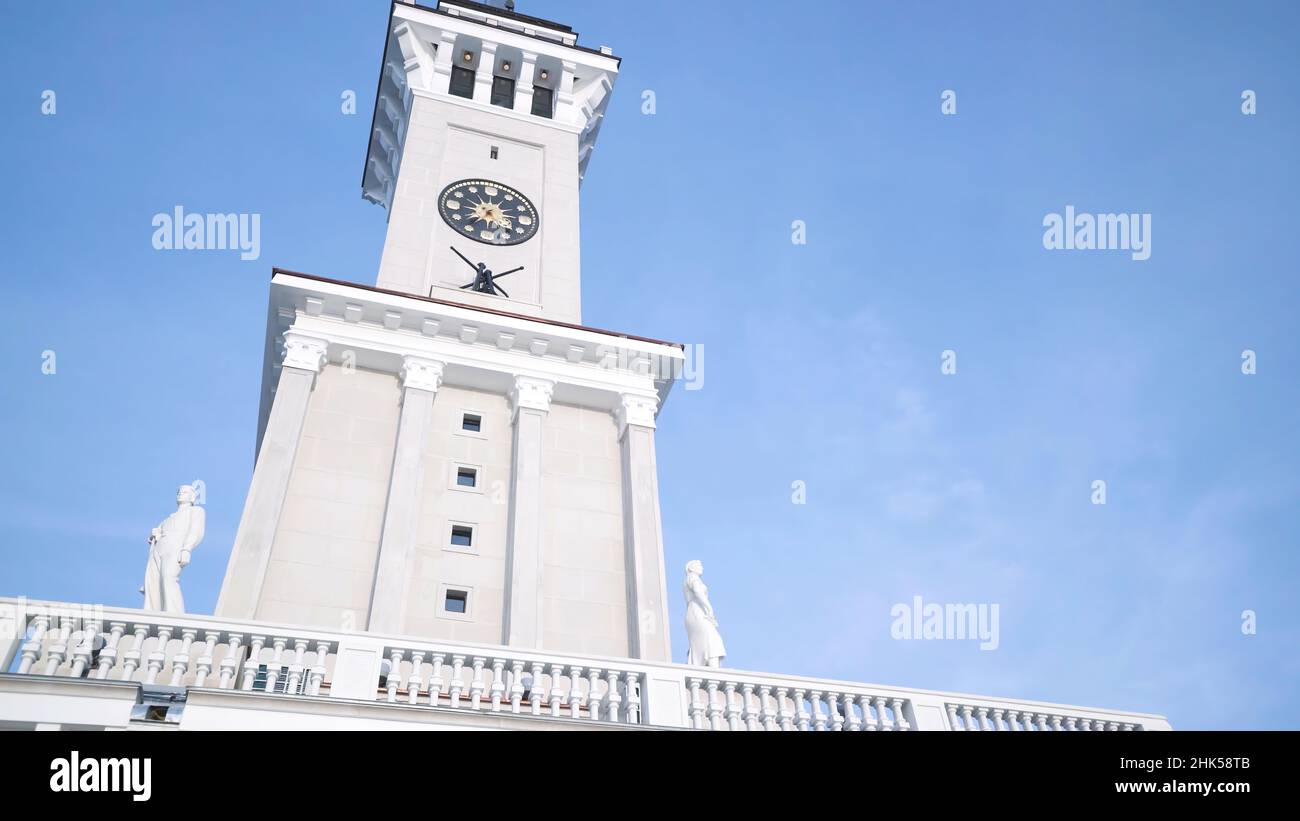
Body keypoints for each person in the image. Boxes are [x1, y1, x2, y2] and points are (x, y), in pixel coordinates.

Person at [142, 484, 205, 613]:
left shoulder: (196, 511)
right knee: (154, 583)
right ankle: (153, 611)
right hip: (159, 548)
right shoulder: (167, 519)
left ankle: (174, 612)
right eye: (179, 491)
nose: (181, 493)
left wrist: (187, 549)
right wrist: (154, 535)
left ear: (192, 497)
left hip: (175, 546)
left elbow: (196, 531)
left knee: (169, 578)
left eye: (185, 492)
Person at [683, 560, 726, 667]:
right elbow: (698, 592)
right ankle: (712, 669)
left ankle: (708, 667)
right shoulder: (692, 577)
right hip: (697, 611)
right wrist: (709, 607)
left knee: (707, 640)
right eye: (698, 565)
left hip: (695, 611)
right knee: (712, 639)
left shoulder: (692, 579)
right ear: (691, 568)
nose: (701, 567)